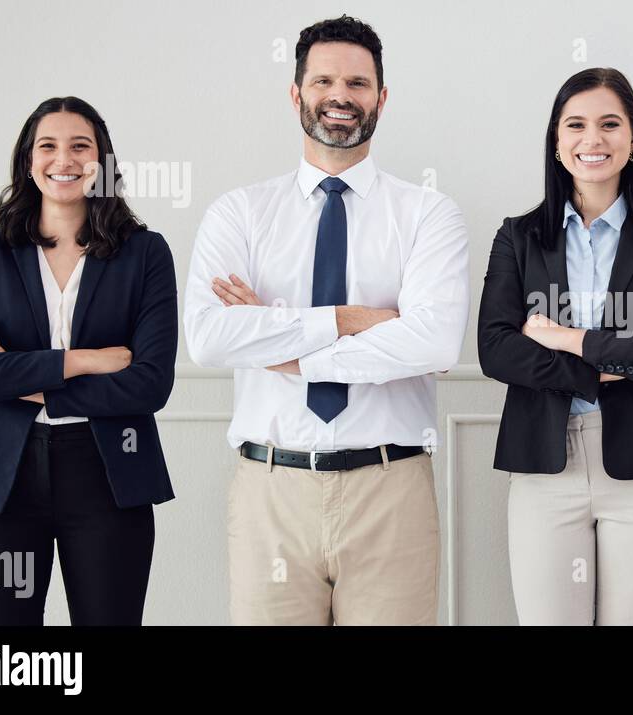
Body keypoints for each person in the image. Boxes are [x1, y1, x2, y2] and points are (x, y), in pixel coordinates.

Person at [183, 16, 468, 625]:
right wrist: (354, 319)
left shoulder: (428, 214)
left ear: (381, 99)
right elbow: (209, 338)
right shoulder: (239, 213)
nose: (341, 96)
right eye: (324, 81)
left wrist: (277, 338)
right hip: (271, 489)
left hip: (391, 490)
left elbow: (433, 340)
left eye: (359, 83)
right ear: (297, 94)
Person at [477, 67, 633, 625]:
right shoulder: (518, 236)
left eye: (610, 124)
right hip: (543, 467)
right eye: (575, 125)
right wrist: (611, 361)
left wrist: (566, 338)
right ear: (557, 144)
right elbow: (496, 348)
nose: (593, 139)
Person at [0, 96, 177, 625]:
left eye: (80, 146)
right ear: (28, 160)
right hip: (1, 477)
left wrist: (15, 370)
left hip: (109, 474)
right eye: (47, 145)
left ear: (102, 161)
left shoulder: (145, 254)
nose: (63, 159)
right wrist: (85, 360)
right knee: (5, 660)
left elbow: (150, 385)